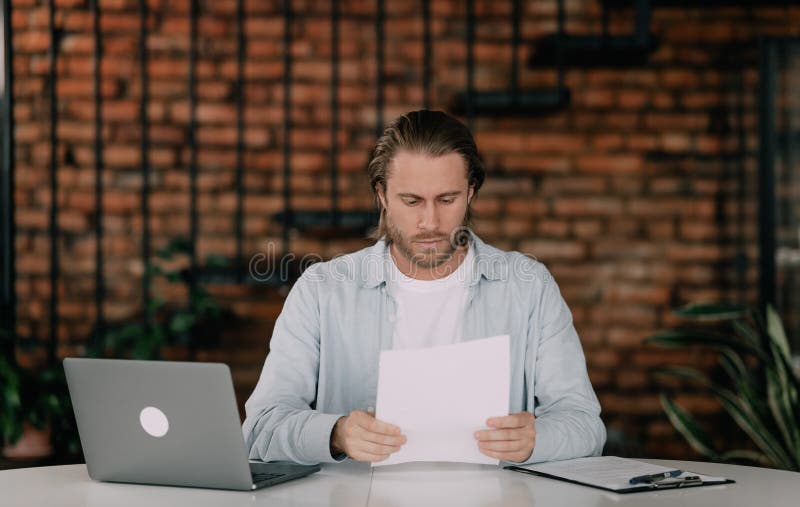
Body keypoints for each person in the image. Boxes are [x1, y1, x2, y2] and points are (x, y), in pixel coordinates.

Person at [242, 110, 605, 465]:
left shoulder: (530, 289)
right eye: (411, 201)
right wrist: (336, 433)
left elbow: (586, 425)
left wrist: (536, 439)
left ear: (471, 192)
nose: (430, 222)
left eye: (447, 200)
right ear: (382, 195)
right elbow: (260, 428)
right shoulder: (321, 292)